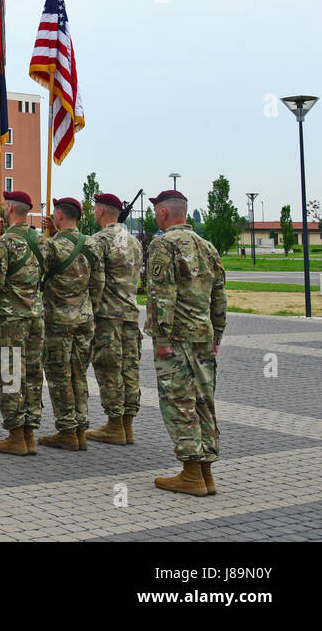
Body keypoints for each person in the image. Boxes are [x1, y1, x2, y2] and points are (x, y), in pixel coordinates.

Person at [147, 189, 226, 497]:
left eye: (156, 211)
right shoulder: (208, 247)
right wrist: (216, 334)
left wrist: (162, 338)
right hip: (203, 337)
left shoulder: (163, 244)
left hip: (177, 339)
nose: (155, 215)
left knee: (179, 402)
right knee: (204, 402)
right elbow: (219, 295)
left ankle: (191, 473)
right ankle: (206, 472)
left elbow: (161, 294)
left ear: (165, 213)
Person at [39, 197, 103, 452]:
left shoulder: (52, 246)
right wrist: (92, 311)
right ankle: (80, 429)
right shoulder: (92, 244)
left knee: (58, 375)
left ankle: (67, 430)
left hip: (58, 320)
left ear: (60, 216)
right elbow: (98, 284)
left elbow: (37, 275)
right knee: (79, 374)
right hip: (85, 319)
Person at [0, 190, 46, 457]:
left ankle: (15, 435)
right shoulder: (41, 241)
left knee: (10, 375)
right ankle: (29, 433)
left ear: (9, 209)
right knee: (32, 374)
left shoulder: (4, 244)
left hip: (11, 318)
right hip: (36, 315)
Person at [86, 192, 145, 446]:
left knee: (109, 369)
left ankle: (114, 425)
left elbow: (95, 280)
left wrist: (93, 311)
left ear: (101, 211)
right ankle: (127, 425)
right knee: (129, 370)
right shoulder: (133, 242)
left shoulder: (99, 241)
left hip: (108, 316)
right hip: (130, 315)